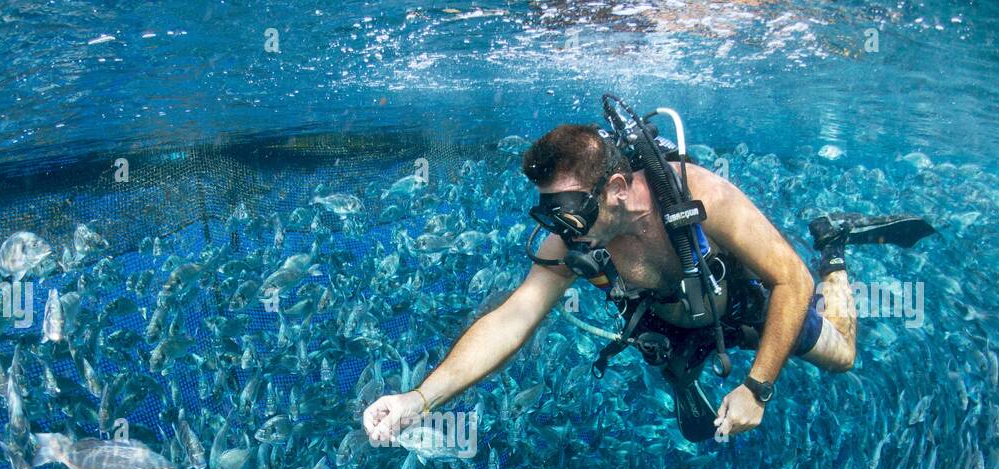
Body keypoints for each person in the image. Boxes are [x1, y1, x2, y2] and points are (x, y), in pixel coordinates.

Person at [363, 103, 932, 446]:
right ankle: (686, 373)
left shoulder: (700, 195)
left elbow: (791, 282)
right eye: (549, 214)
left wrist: (758, 387)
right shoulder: (578, 235)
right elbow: (515, 315)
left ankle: (833, 244)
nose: (561, 229)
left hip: (747, 307)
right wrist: (420, 398)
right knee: (670, 362)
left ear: (615, 190)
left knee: (844, 356)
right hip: (664, 320)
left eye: (569, 212)